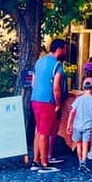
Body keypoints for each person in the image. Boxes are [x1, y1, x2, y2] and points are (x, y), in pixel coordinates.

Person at [31, 38, 67, 173]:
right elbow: (56, 87)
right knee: (45, 133)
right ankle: (44, 163)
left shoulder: (39, 62)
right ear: (59, 50)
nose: (65, 52)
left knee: (38, 130)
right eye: (64, 49)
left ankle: (35, 160)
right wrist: (58, 104)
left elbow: (33, 82)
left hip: (35, 99)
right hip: (47, 101)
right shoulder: (57, 65)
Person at [66, 77, 92, 173]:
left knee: (78, 144)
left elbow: (72, 112)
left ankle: (79, 161)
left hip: (77, 125)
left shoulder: (78, 99)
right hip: (88, 126)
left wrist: (69, 124)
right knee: (85, 144)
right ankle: (83, 162)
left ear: (83, 88)